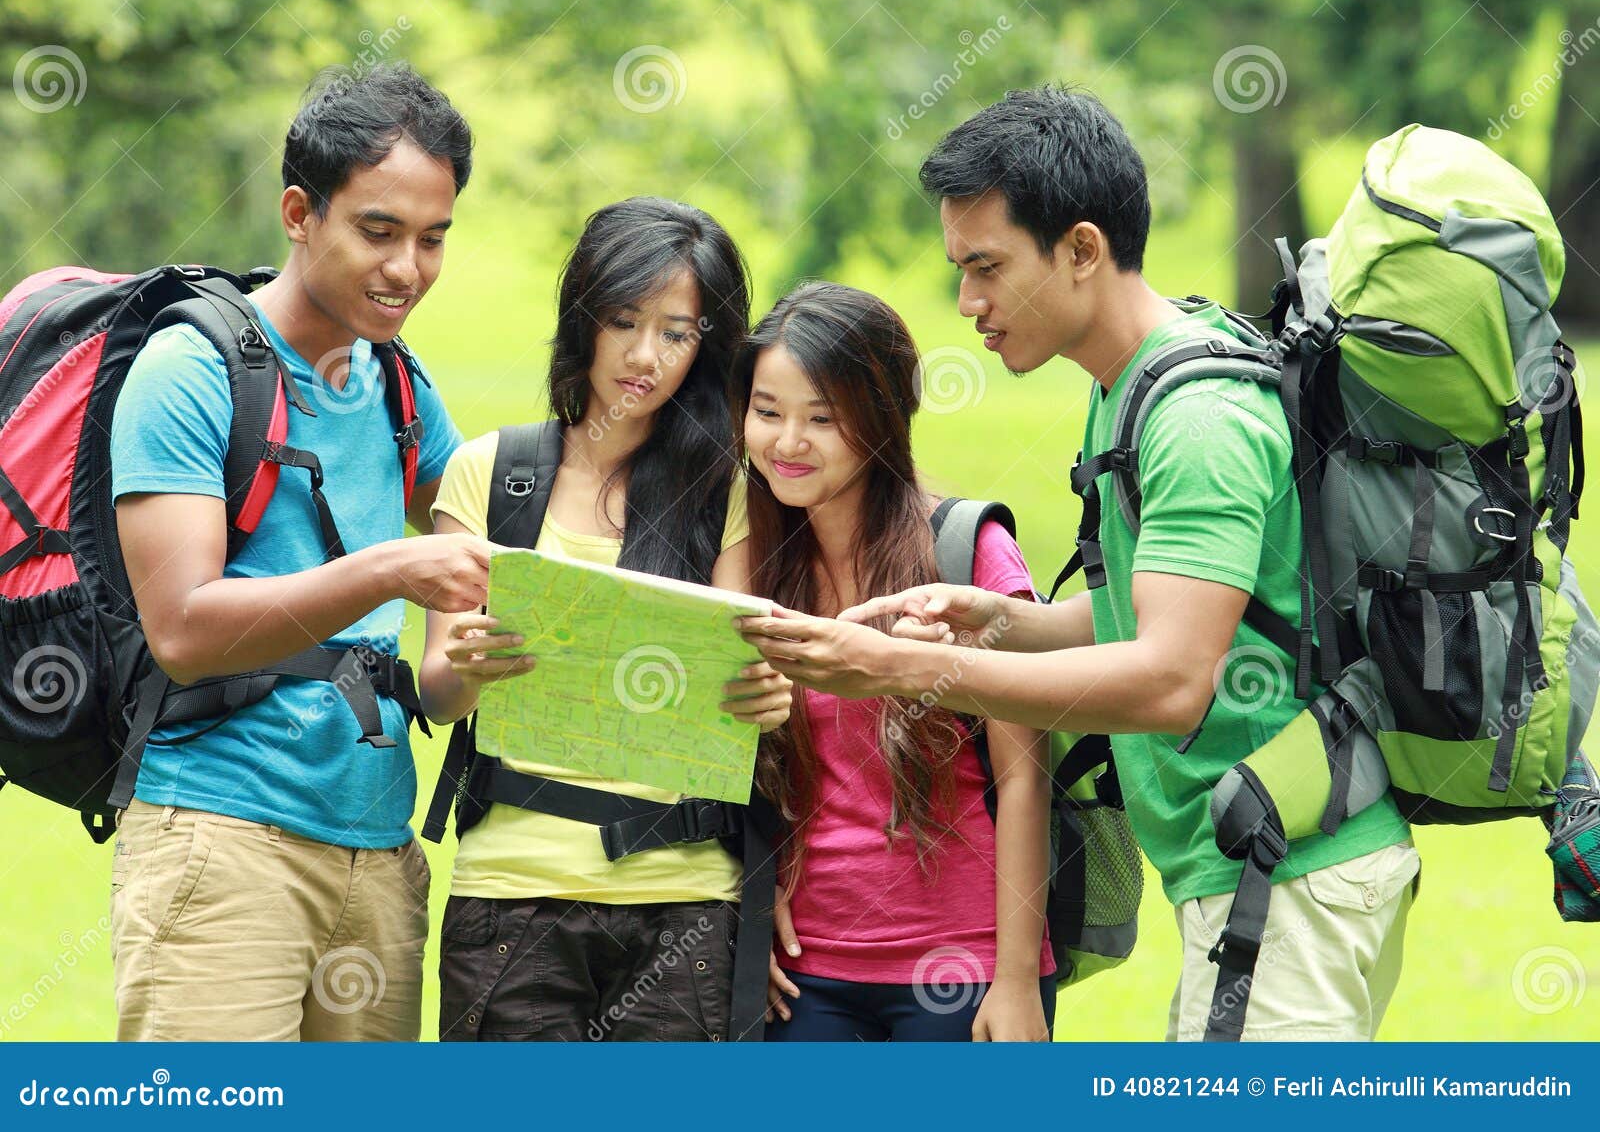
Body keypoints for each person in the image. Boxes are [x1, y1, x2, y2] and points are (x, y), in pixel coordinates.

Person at [737, 87, 1419, 1042]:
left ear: (1082, 249)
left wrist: (906, 669)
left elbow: (1172, 679)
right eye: (960, 270)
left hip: (1293, 875)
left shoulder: (1196, 417)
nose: (968, 303)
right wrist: (997, 619)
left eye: (987, 267)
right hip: (1263, 865)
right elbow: (1152, 617)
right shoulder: (1130, 386)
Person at [110, 62, 480, 1041]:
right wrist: (390, 569)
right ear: (298, 214)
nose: (408, 268)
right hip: (222, 841)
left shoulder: (401, 386)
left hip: (378, 846)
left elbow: (495, 533)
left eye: (433, 237)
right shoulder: (190, 370)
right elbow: (183, 630)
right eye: (379, 231)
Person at [422, 196, 792, 1042]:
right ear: (582, 318)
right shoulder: (491, 472)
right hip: (512, 893)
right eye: (623, 321)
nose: (644, 356)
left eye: (677, 332)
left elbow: (744, 679)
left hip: (684, 902)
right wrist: (468, 669)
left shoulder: (726, 494)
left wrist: (769, 700)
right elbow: (438, 694)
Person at [734, 281, 1053, 1042]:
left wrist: (1015, 979)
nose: (788, 442)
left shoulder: (965, 554)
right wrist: (756, 897)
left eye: (822, 418)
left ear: (879, 418)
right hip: (806, 972)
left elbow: (1023, 777)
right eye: (767, 412)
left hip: (964, 963)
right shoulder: (749, 565)